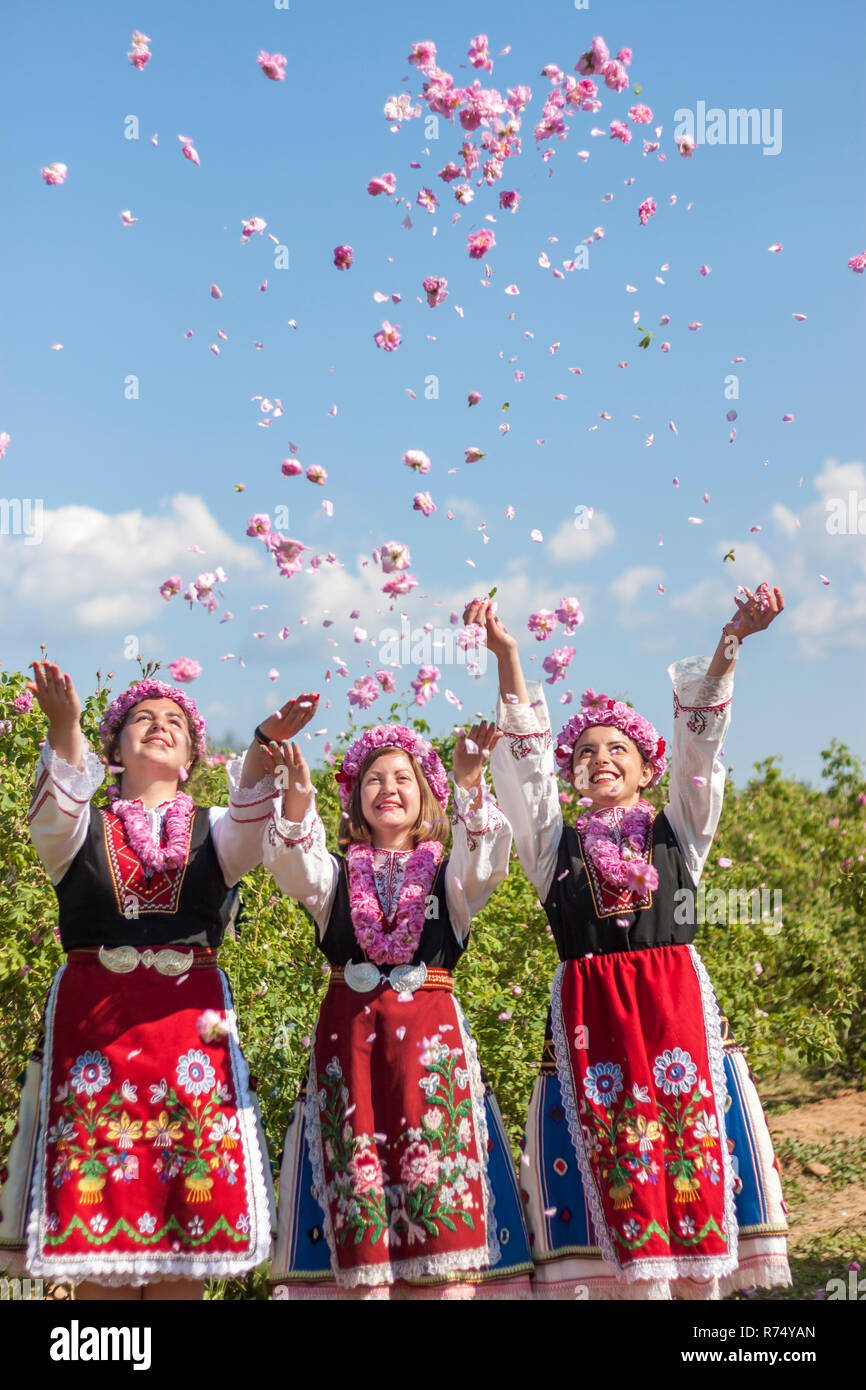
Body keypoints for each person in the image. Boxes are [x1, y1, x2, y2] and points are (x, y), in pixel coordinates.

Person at [463, 584, 791, 1300]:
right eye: (584, 751)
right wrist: (510, 657)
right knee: (620, 1176)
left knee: (688, 1165)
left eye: (618, 749)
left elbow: (702, 738)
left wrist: (731, 639)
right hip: (596, 1024)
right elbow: (522, 770)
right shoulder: (554, 845)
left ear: (650, 770)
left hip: (673, 1015)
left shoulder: (681, 828)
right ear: (571, 772)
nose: (601, 758)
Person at [0, 661, 317, 1299]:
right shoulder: (81, 830)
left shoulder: (216, 832)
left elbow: (255, 822)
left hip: (187, 1051)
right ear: (113, 751)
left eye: (175, 721)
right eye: (142, 719)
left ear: (192, 757)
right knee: (100, 1243)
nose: (159, 726)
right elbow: (55, 814)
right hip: (99, 1048)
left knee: (185, 1241)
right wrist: (64, 728)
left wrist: (260, 744)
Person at [261, 718, 533, 1298]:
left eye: (403, 778)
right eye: (373, 780)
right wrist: (297, 797)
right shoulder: (333, 875)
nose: (388, 787)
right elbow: (291, 866)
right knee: (361, 1214)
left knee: (434, 1203)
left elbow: (484, 861)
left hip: (428, 1058)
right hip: (352, 1055)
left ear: (426, 794)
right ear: (355, 800)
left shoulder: (448, 876)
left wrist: (470, 782)